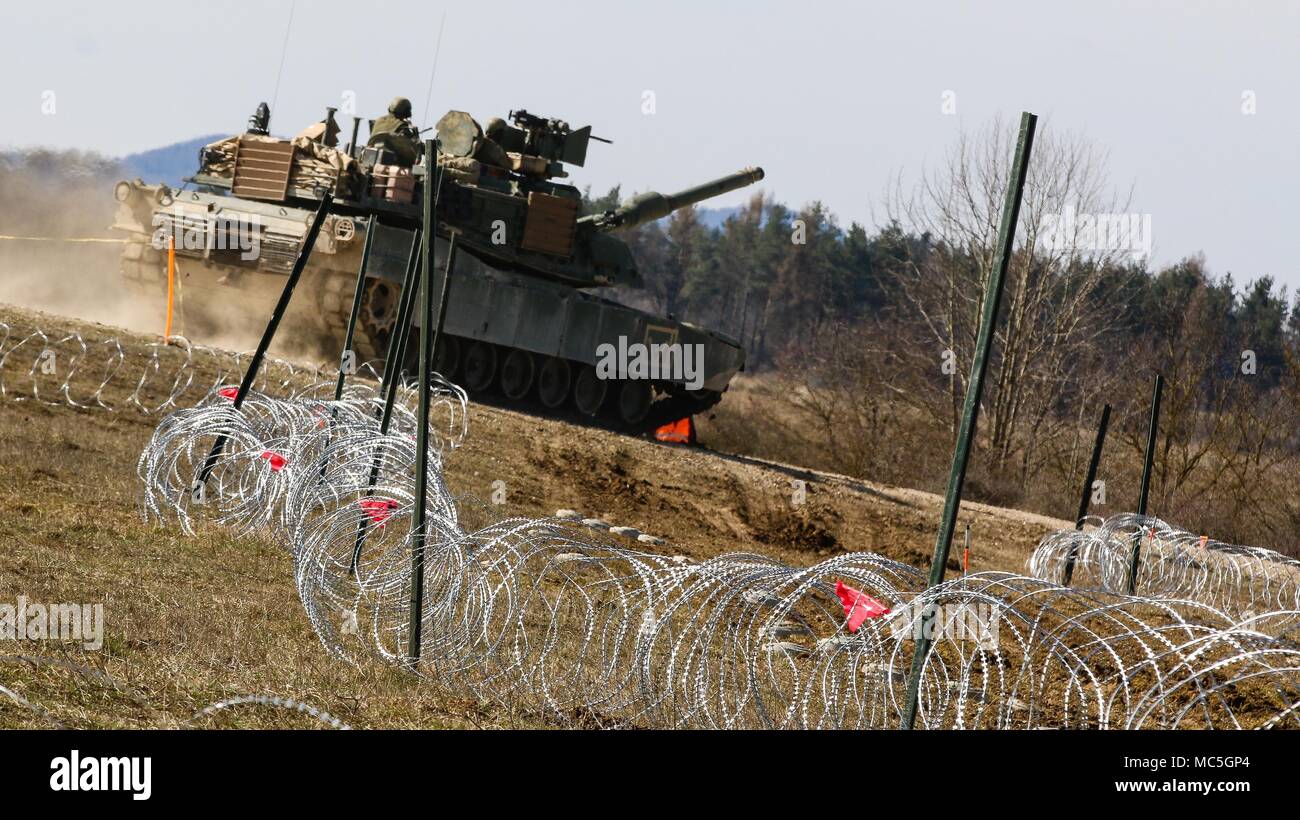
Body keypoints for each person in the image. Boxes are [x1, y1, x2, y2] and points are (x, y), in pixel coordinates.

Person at [367, 97, 420, 166]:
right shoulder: (402, 127)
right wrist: (416, 135)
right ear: (406, 112)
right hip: (392, 163)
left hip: (372, 158)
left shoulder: (379, 120)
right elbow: (413, 148)